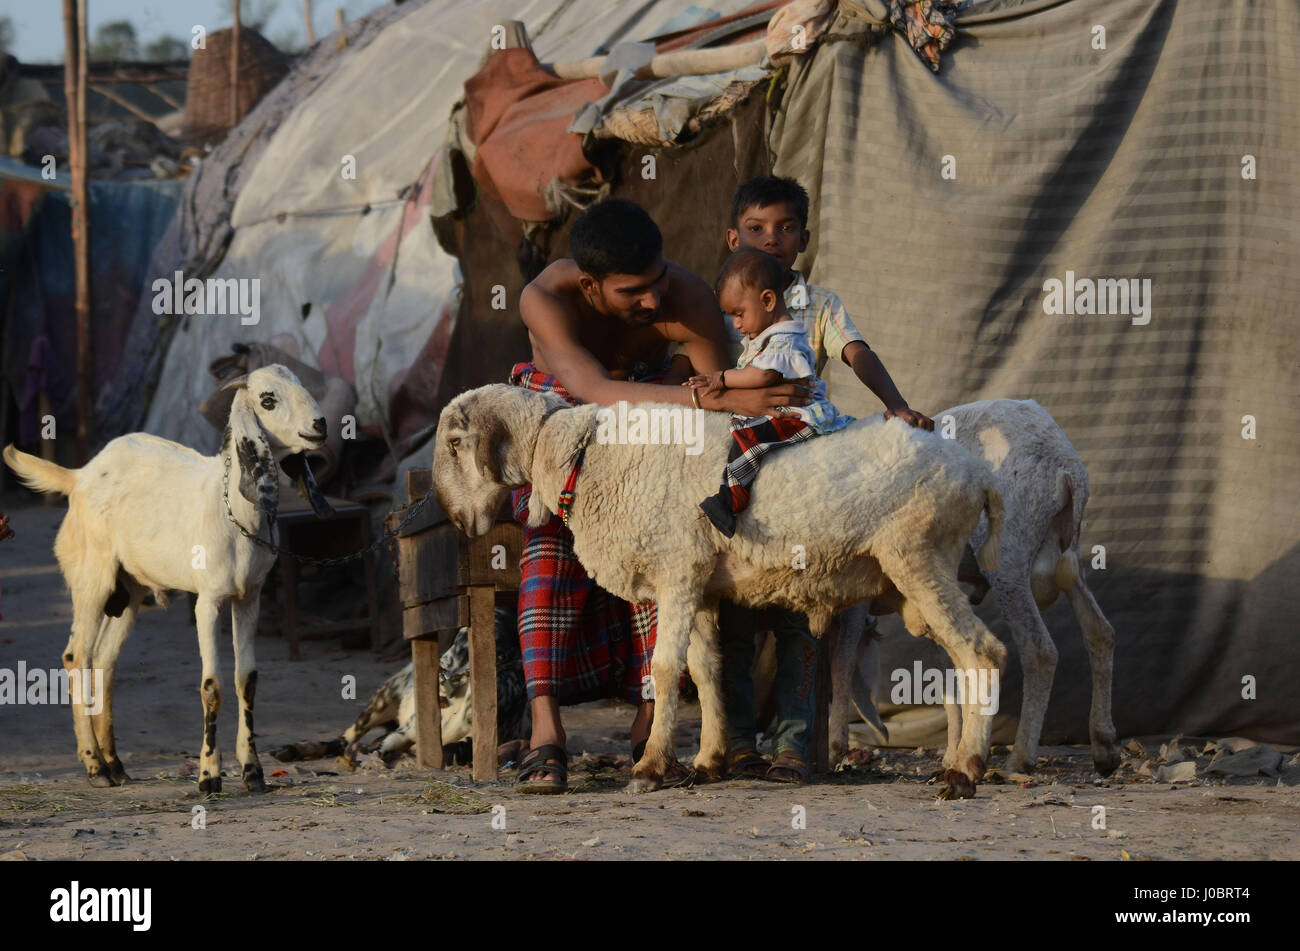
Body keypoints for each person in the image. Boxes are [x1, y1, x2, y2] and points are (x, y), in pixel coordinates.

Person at [511, 198, 811, 793]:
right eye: (632, 293)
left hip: (659, 447)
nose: (652, 302)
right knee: (548, 542)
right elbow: (591, 388)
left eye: (658, 281)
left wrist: (702, 399)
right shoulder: (543, 299)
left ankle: (654, 725)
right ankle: (546, 733)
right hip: (573, 436)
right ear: (590, 285)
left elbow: (711, 427)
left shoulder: (690, 297)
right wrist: (702, 396)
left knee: (669, 539)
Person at [711, 175, 936, 783]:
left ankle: (793, 747)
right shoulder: (726, 304)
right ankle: (734, 745)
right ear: (733, 236)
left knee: (800, 615)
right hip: (743, 477)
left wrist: (896, 405)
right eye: (756, 229)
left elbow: (856, 351)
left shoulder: (820, 305)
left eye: (786, 229)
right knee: (729, 615)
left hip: (803, 478)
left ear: (804, 239)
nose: (771, 240)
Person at [691, 248, 853, 538]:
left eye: (739, 314)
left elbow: (763, 375)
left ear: (767, 300)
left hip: (798, 416)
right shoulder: (768, 335)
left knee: (750, 438)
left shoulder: (783, 338)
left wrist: (723, 378)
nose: (736, 324)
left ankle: (730, 502)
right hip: (784, 411)